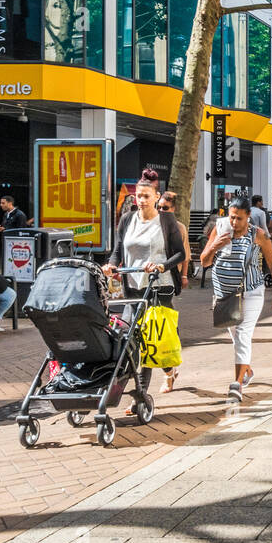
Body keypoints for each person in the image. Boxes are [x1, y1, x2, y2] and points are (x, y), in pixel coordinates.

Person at [105, 170, 187, 397]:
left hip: (158, 287)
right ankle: (163, 373)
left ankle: (141, 395)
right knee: (130, 337)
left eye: (146, 196)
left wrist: (162, 266)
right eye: (138, 196)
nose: (140, 201)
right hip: (132, 287)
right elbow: (118, 249)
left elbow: (180, 254)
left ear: (156, 197)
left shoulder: (167, 221)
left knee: (152, 340)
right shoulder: (127, 219)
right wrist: (111, 265)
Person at [199, 197, 272, 401]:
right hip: (225, 295)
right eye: (231, 217)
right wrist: (215, 246)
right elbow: (204, 262)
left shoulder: (258, 235)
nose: (234, 222)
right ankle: (247, 370)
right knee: (236, 338)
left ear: (248, 218)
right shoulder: (220, 229)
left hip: (252, 292)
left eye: (239, 218)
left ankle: (236, 384)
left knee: (243, 335)